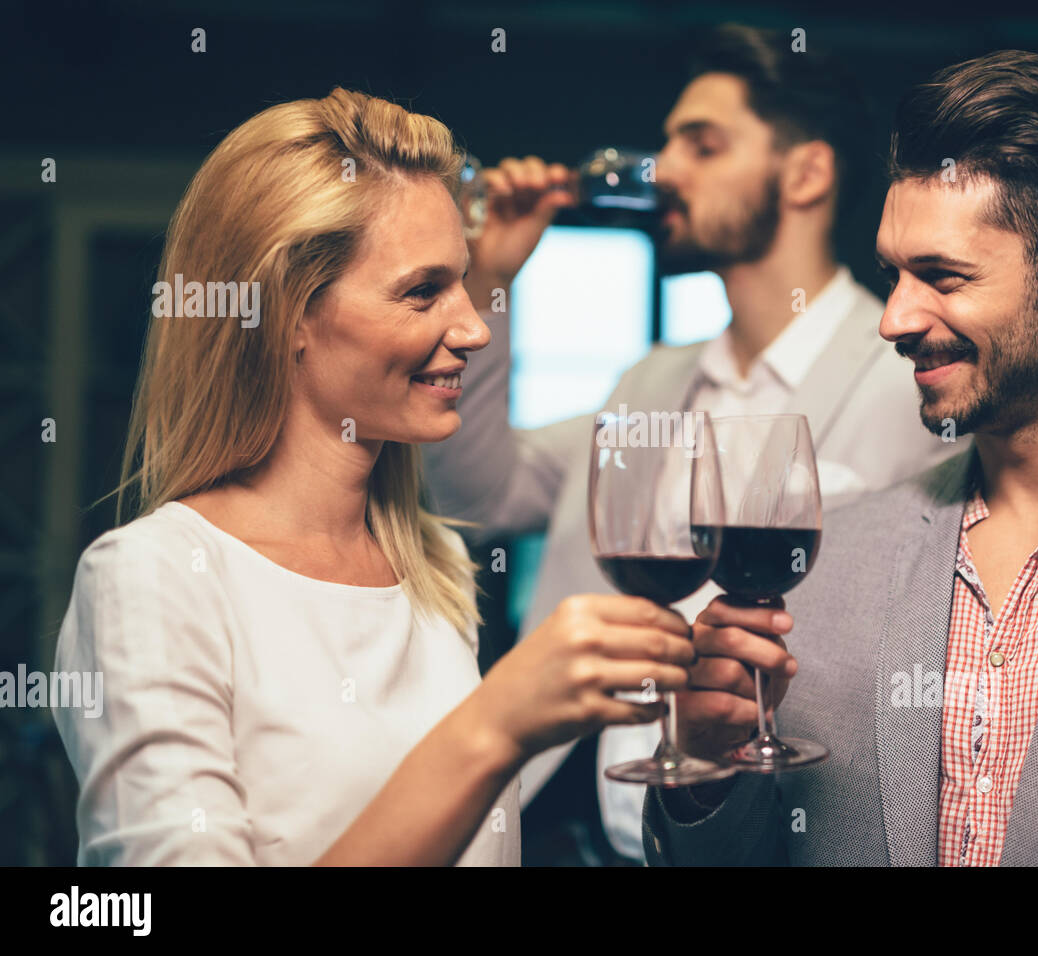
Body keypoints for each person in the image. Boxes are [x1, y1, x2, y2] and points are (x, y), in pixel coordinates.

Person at [644, 50, 1038, 866]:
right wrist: (705, 768)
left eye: (941, 276)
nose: (893, 319)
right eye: (893, 276)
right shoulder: (828, 562)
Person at [51, 87, 697, 866]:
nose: (475, 326)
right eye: (423, 291)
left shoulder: (434, 566)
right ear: (287, 311)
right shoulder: (152, 580)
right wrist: (492, 728)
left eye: (465, 284)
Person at [420, 23, 968, 862]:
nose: (666, 169)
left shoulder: (915, 388)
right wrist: (488, 279)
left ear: (807, 173)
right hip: (553, 825)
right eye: (670, 142)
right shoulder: (649, 382)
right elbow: (472, 495)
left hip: (762, 835)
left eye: (702, 145)